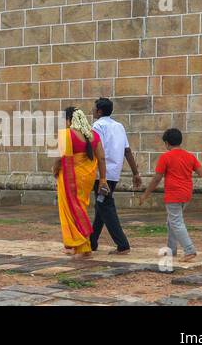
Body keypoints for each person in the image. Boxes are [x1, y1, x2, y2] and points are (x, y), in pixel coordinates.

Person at [138, 128, 202, 261]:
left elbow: (157, 178)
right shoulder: (190, 156)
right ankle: (171, 250)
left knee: (176, 222)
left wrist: (145, 194)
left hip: (173, 194)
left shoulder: (165, 157)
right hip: (186, 194)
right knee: (171, 222)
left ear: (167, 143)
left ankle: (189, 250)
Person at [53, 107, 107, 256]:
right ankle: (82, 245)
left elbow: (60, 158)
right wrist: (103, 178)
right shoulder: (93, 135)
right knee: (80, 207)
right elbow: (101, 158)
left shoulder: (67, 135)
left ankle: (82, 245)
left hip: (70, 178)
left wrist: (54, 170)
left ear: (70, 120)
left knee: (73, 209)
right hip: (87, 177)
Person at [89, 97, 140, 254]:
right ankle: (92, 242)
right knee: (101, 206)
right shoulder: (119, 126)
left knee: (105, 206)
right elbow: (127, 151)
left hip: (101, 174)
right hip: (114, 173)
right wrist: (135, 172)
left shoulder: (97, 126)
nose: (92, 110)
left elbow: (98, 149)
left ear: (99, 111)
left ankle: (122, 244)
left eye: (93, 108)